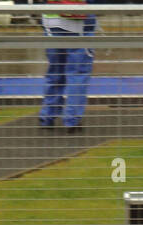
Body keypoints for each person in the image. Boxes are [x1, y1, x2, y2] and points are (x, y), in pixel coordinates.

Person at [38, 0, 98, 132]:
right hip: (79, 20)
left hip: (52, 19)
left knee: (55, 70)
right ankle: (72, 119)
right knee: (78, 73)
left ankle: (48, 116)